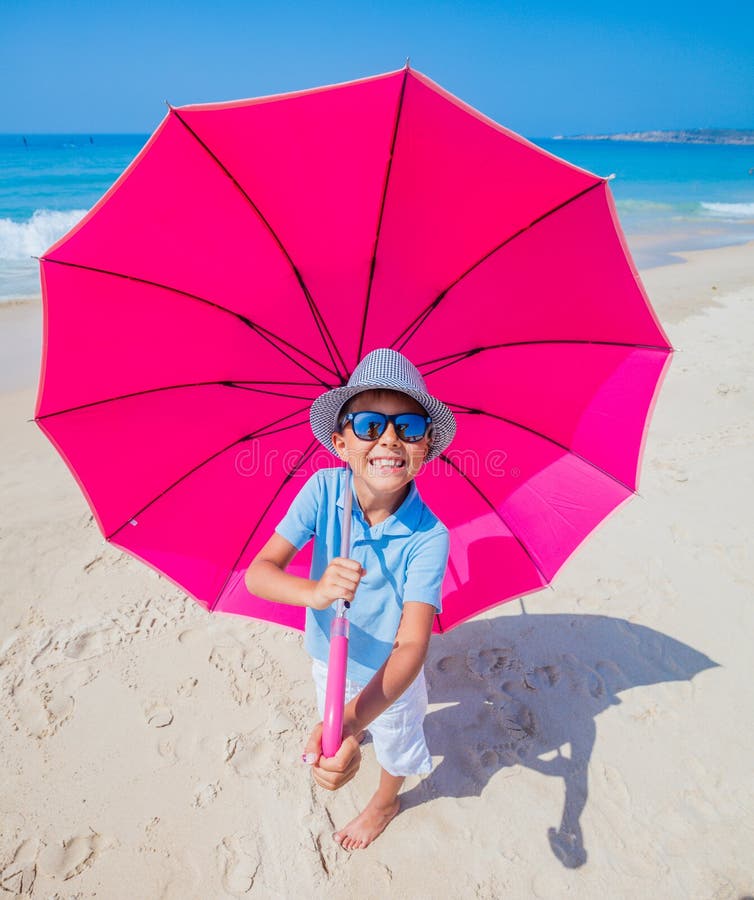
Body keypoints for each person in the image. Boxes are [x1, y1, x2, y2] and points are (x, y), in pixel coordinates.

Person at [245, 348, 456, 850]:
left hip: (391, 676)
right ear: (340, 443)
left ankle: (386, 801)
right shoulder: (323, 490)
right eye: (368, 425)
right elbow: (259, 573)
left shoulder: (430, 535)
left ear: (427, 445)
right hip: (329, 657)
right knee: (338, 716)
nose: (388, 440)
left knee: (398, 743)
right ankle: (355, 727)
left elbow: (411, 648)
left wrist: (351, 721)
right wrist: (316, 591)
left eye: (408, 426)